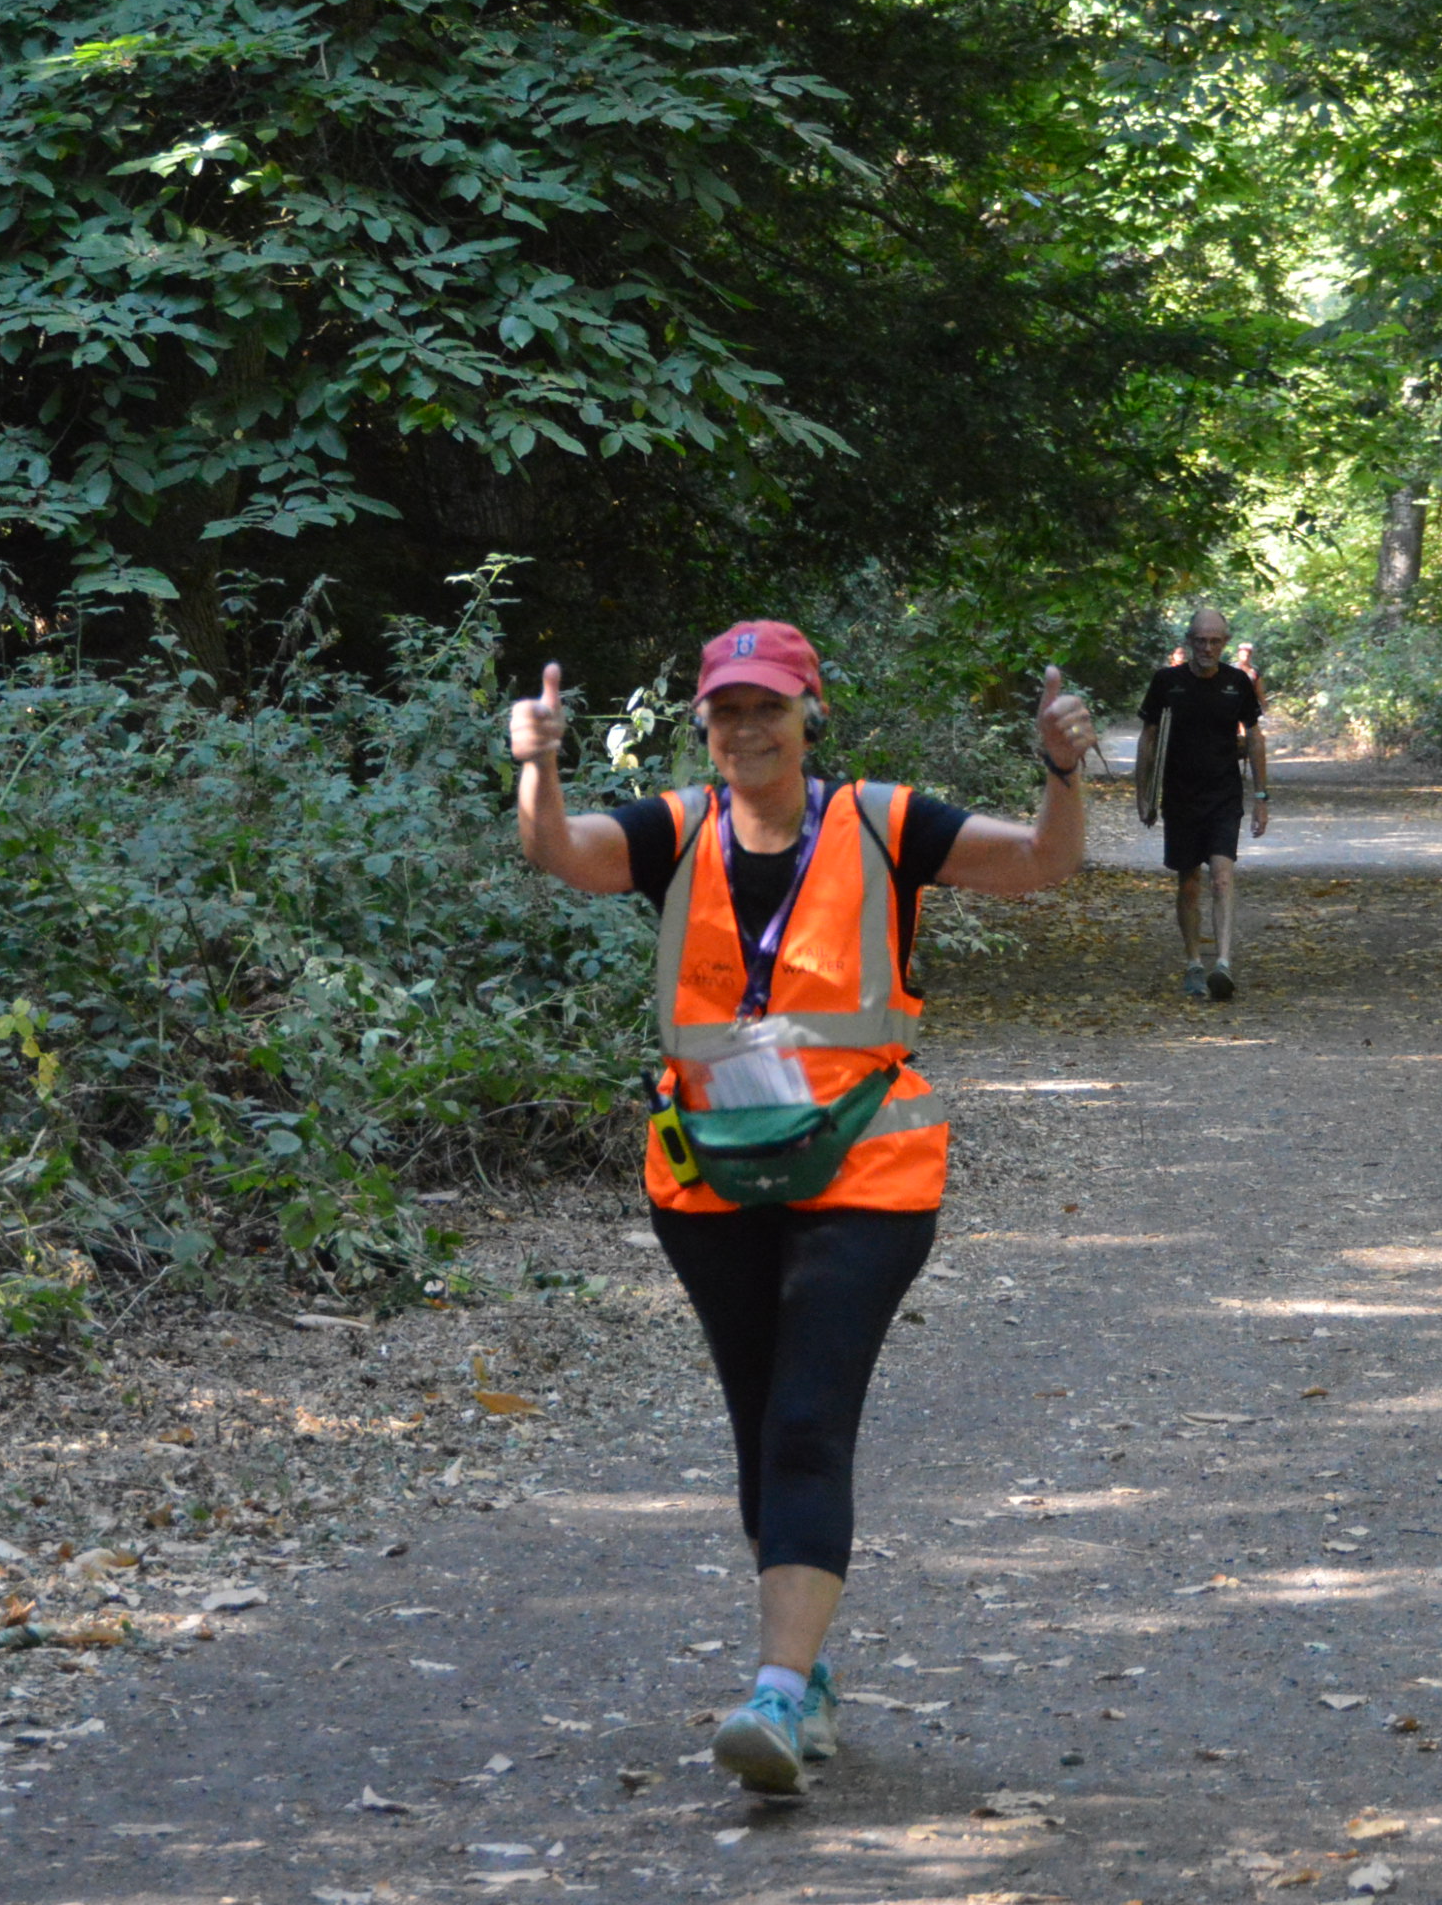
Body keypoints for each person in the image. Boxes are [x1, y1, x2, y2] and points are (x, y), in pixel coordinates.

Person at [508, 620, 1097, 1795]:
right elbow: (562, 853)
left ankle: (775, 1694)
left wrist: (1063, 770)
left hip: (864, 1173)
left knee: (805, 1421)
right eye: (725, 710)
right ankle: (806, 1668)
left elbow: (1042, 861)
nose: (745, 727)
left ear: (808, 711)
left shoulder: (883, 821)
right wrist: (538, 762)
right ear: (702, 724)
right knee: (757, 1433)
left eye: (767, 705)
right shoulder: (675, 828)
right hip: (710, 1177)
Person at [1133, 607, 1269, 1001]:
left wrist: (1261, 796)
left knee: (1223, 877)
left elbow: (1255, 739)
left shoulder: (1237, 682)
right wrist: (1144, 795)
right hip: (1180, 797)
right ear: (1189, 641)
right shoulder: (1167, 681)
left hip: (1224, 796)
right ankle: (1194, 963)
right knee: (1189, 882)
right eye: (1200, 640)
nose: (1208, 648)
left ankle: (1223, 964)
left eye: (1215, 641)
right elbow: (1148, 739)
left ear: (1225, 643)